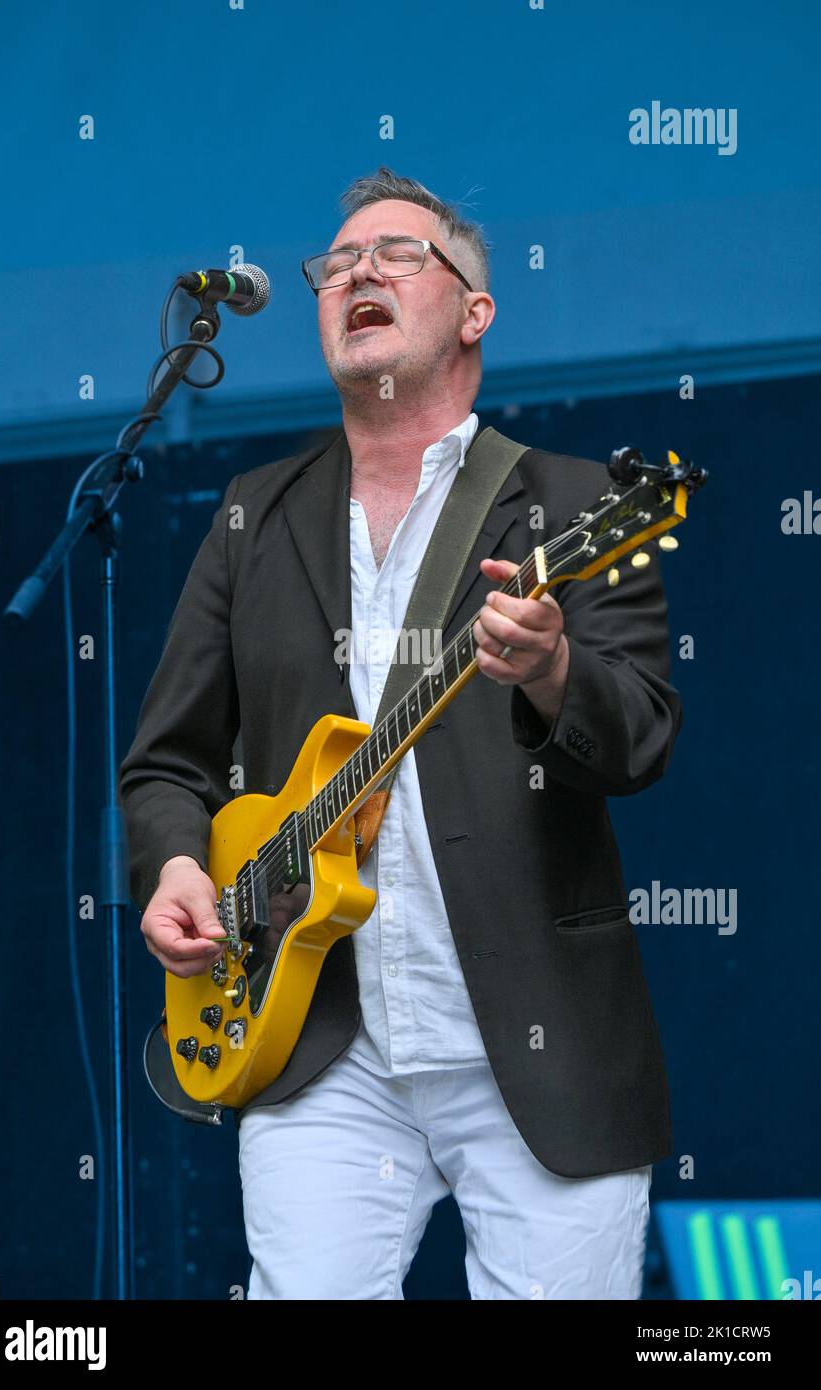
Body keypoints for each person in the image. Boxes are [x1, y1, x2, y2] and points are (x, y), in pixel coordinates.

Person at [119, 166, 682, 1300]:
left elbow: (639, 739)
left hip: (535, 1038)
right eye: (336, 265)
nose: (356, 274)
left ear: (475, 311)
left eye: (396, 255)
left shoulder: (570, 503)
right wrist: (180, 864)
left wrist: (552, 670)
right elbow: (167, 762)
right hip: (316, 1038)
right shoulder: (251, 516)